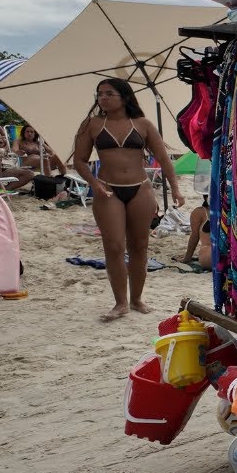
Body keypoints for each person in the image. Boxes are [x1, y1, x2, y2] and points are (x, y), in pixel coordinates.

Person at [71, 78, 184, 321]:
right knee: (113, 246)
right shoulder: (91, 124)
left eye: (109, 93)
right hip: (108, 189)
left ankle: (136, 299)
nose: (102, 98)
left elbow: (165, 160)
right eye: (99, 94)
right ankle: (120, 302)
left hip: (140, 189)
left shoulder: (143, 124)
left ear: (124, 97)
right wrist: (93, 182)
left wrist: (175, 189)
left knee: (139, 246)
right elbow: (79, 161)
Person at [177, 197, 212, 268]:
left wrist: (187, 257)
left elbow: (194, 237)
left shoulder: (200, 212)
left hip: (209, 255)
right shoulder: (230, 209)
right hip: (225, 255)